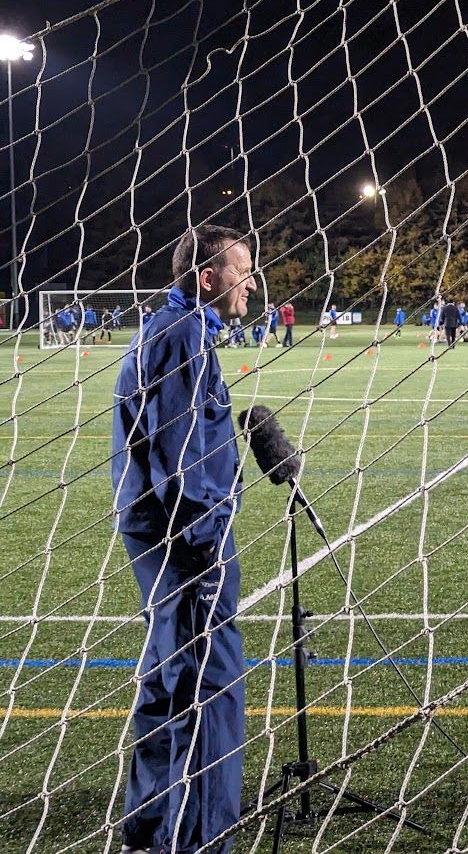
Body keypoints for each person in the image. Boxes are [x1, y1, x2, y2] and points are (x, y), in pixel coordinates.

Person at [112, 224, 256, 853]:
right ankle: (197, 838)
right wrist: (205, 540)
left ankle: (147, 826)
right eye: (241, 269)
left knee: (168, 675)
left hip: (159, 534)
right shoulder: (185, 337)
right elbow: (181, 454)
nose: (250, 282)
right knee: (209, 684)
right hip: (187, 540)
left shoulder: (170, 331)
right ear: (208, 277)